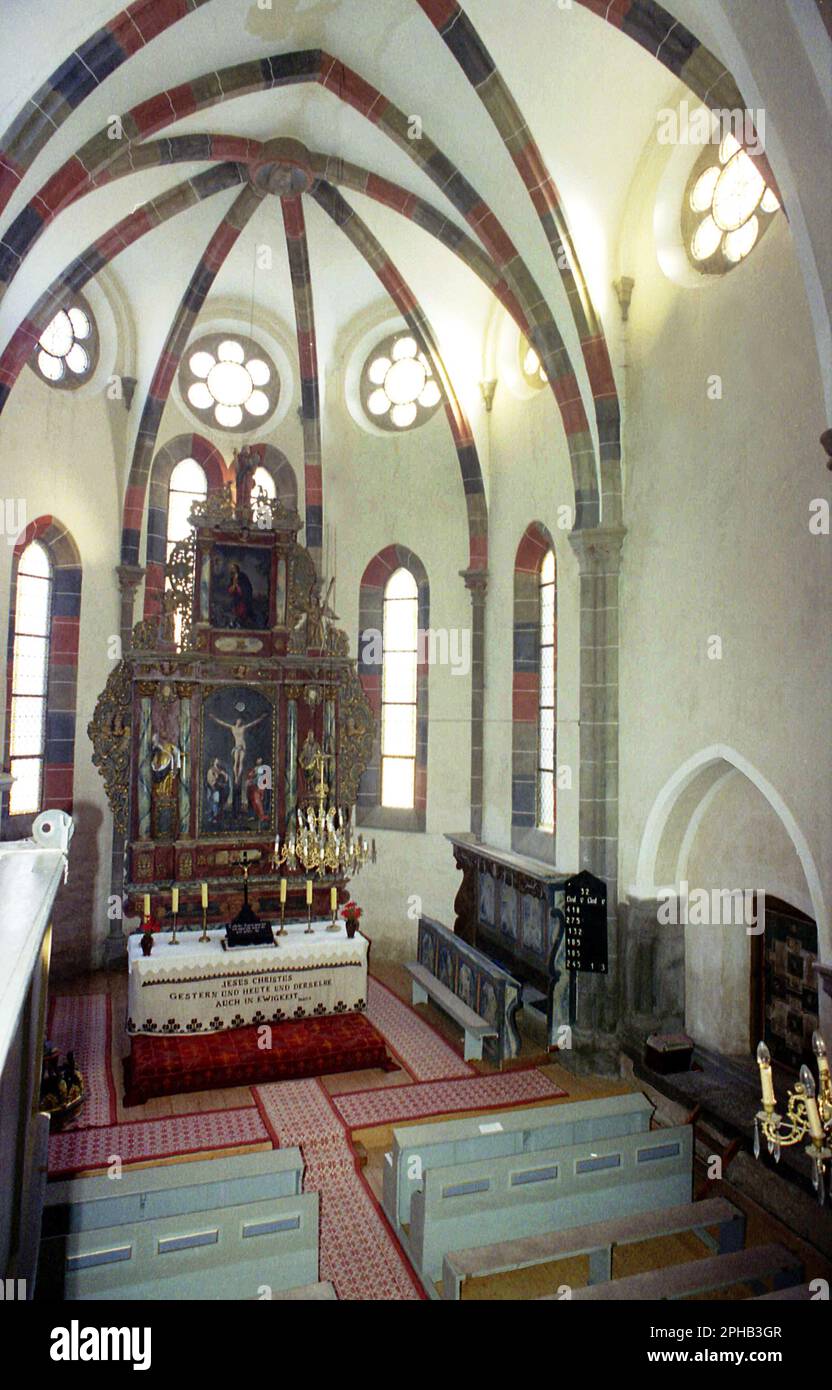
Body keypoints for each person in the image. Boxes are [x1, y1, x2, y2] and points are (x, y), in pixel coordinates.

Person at [228, 561, 255, 627]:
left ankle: (241, 623)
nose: (231, 570)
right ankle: (235, 623)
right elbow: (230, 589)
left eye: (232, 568)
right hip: (236, 598)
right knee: (234, 610)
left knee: (242, 612)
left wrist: (237, 587)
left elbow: (245, 588)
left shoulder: (242, 576)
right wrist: (234, 586)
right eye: (230, 568)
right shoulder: (232, 578)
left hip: (243, 598)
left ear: (236, 569)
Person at [206, 757, 229, 823]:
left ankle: (217, 817)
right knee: (214, 802)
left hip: (219, 789)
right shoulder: (211, 770)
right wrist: (215, 783)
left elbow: (225, 777)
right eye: (216, 760)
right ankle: (212, 817)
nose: (218, 761)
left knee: (218, 802)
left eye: (218, 760)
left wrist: (225, 776)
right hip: (213, 788)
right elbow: (211, 780)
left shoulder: (219, 770)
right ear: (213, 761)